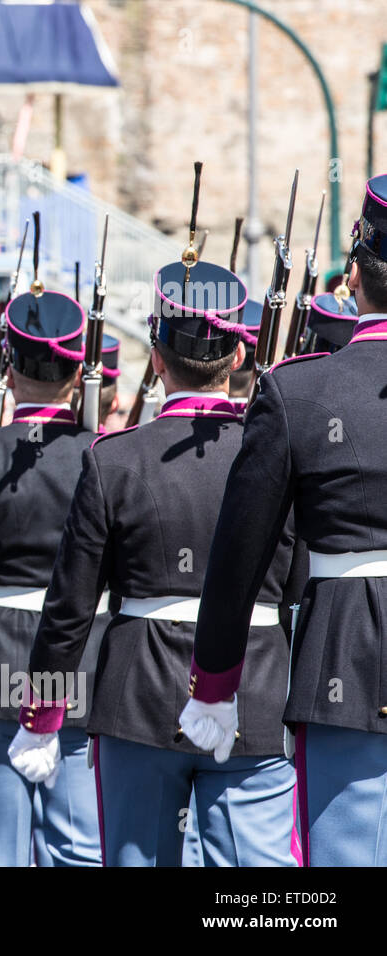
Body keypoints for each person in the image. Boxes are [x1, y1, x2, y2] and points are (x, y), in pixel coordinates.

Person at [10, 248, 304, 867]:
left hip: (138, 697)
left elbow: (70, 606)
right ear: (241, 356)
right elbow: (297, 580)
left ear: (156, 359)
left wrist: (43, 711)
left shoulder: (113, 458)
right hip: (254, 685)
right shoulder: (282, 451)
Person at [183, 175, 387, 866]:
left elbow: (240, 555)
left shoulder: (297, 390)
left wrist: (214, 684)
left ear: (354, 273)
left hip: (347, 657)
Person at [0, 276, 102, 868]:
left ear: (6, 364)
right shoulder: (105, 454)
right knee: (80, 850)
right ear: (80, 371)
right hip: (82, 666)